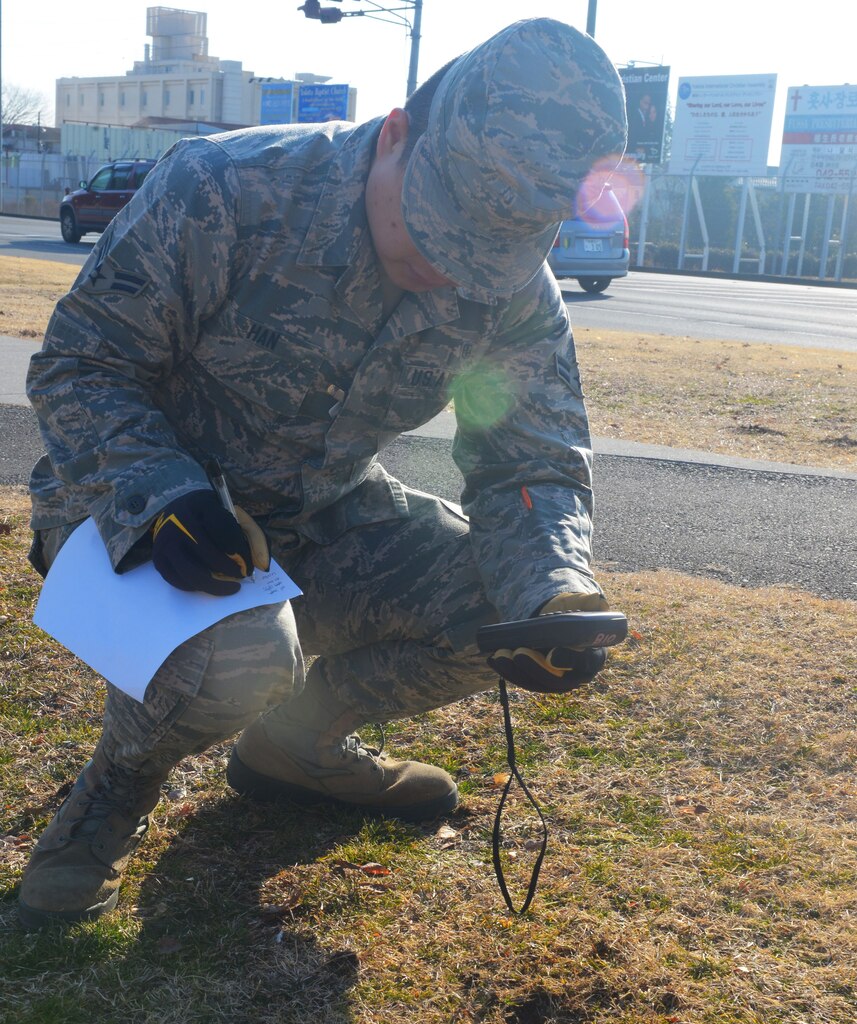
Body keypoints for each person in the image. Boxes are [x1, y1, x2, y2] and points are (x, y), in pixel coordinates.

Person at [19, 18, 627, 928]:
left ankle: (292, 746)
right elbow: (82, 363)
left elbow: (528, 462)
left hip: (320, 516)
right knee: (238, 653)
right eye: (433, 229)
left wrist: (551, 593)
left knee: (496, 603)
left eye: (482, 255)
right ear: (393, 135)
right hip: (125, 514)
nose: (444, 272)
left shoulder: (510, 291)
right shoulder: (226, 188)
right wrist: (163, 495)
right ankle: (111, 798)